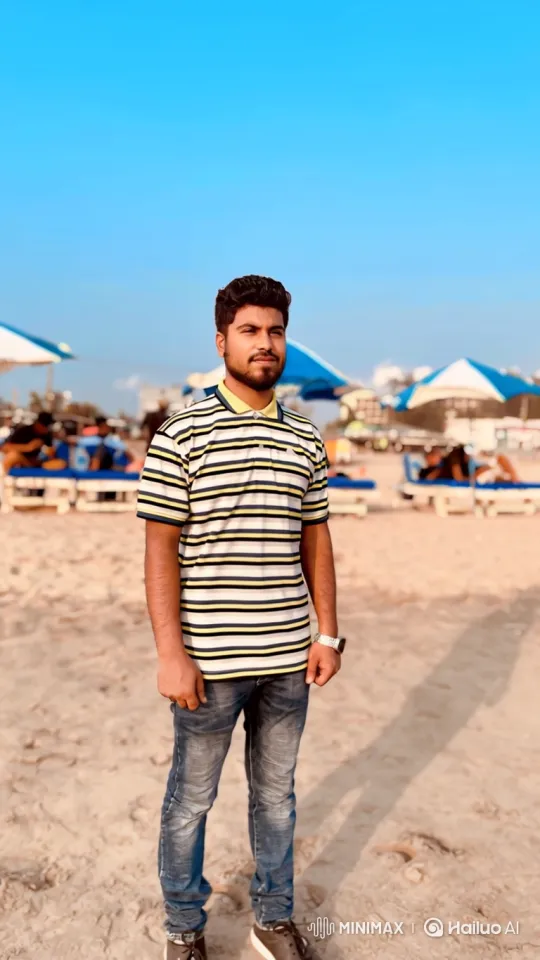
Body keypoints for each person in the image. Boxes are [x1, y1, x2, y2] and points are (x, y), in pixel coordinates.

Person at [137, 275, 343, 960]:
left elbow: (316, 538)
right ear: (221, 340)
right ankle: (183, 929)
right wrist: (171, 653)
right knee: (191, 801)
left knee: (276, 798)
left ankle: (273, 920)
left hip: (287, 658)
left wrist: (327, 632)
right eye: (250, 331)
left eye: (276, 331)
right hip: (209, 662)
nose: (265, 344)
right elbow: (160, 548)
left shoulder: (304, 436)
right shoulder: (181, 432)